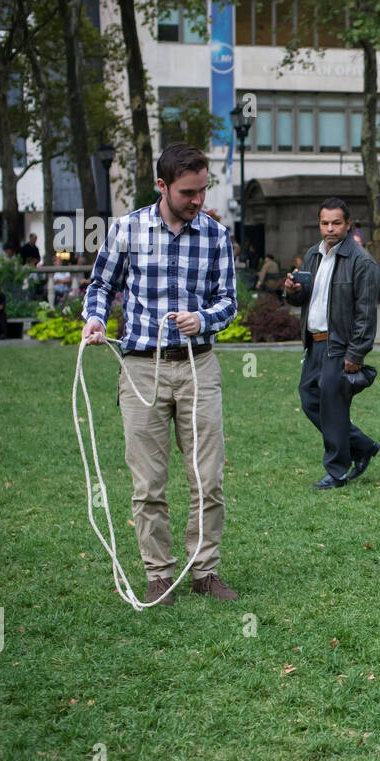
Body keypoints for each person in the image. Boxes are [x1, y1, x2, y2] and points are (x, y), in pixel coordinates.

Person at [80, 142, 239, 606]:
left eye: (203, 190)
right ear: (162, 186)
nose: (198, 200)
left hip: (198, 367)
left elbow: (228, 300)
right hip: (140, 369)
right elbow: (101, 285)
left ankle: (204, 571)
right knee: (148, 483)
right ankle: (158, 574)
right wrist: (95, 319)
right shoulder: (126, 230)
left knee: (208, 479)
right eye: (188, 192)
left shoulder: (214, 234)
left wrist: (203, 319)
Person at [283, 197, 380, 489]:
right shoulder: (312, 255)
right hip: (314, 343)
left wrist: (356, 352)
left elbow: (366, 314)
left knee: (333, 406)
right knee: (310, 399)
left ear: (348, 224)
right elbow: (305, 299)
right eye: (325, 222)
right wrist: (292, 291)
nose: (330, 228)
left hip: (340, 346)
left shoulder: (362, 262)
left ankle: (337, 471)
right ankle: (362, 446)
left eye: (336, 223)